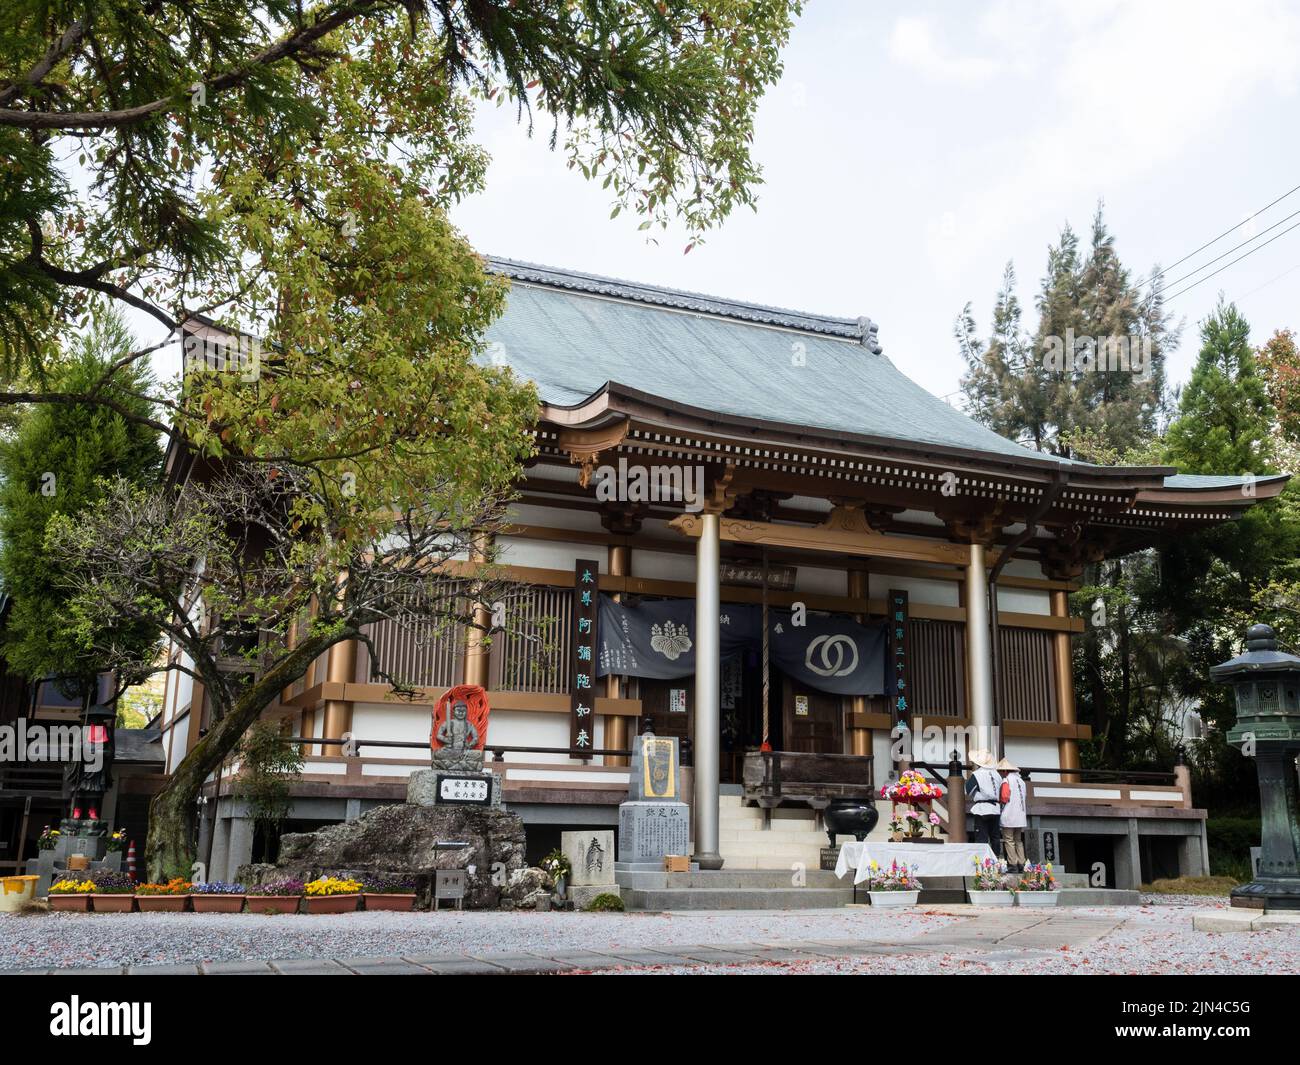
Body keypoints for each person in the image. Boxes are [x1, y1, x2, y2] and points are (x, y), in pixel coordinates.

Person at [965, 749, 1002, 856]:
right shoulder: (997, 774)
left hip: (982, 809)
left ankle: (983, 862)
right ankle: (996, 860)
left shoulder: (976, 774)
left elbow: (969, 791)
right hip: (995, 809)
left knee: (981, 837)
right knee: (995, 837)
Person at [998, 757, 1028, 872]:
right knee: (1018, 840)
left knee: (1009, 839)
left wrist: (1000, 801)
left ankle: (1013, 863)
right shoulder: (1021, 781)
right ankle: (1022, 862)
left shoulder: (1007, 781)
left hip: (1009, 814)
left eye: (1001, 771)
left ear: (1005, 771)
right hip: (1020, 814)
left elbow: (1005, 797)